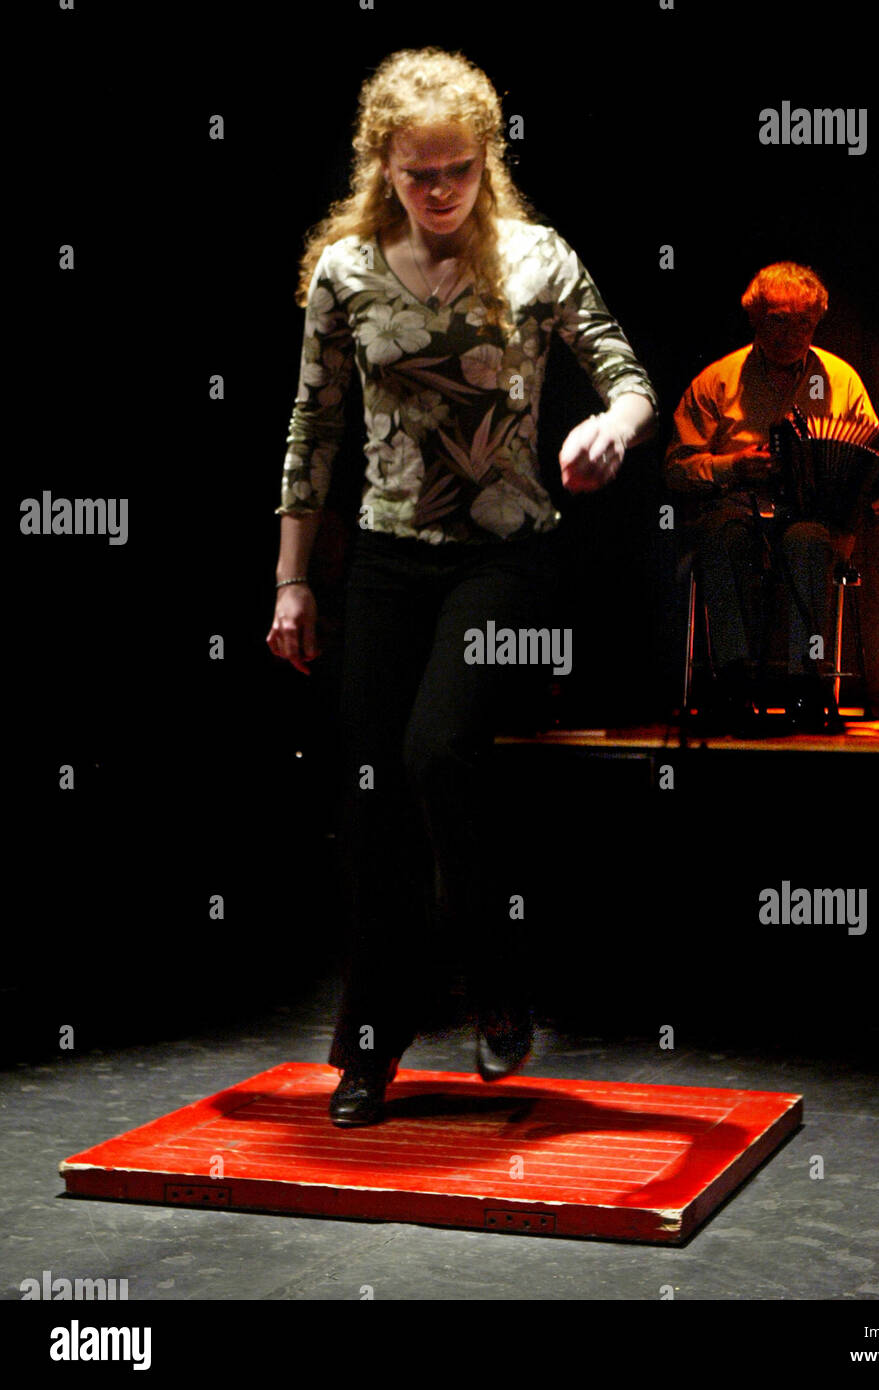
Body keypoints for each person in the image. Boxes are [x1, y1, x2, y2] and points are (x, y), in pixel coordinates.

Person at [265, 48, 657, 1126]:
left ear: (489, 161)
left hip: (506, 553)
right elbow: (315, 430)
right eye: (416, 174)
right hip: (390, 557)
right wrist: (293, 582)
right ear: (380, 168)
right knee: (369, 796)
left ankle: (492, 975)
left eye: (458, 171)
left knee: (437, 748)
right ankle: (373, 1042)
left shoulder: (535, 259)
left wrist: (612, 428)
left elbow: (626, 375)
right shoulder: (345, 275)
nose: (439, 193)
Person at [663, 262, 879, 732]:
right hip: (737, 511)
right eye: (779, 319)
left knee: (809, 542)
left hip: (813, 517)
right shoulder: (717, 381)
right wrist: (733, 466)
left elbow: (877, 455)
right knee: (720, 536)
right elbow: (676, 468)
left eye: (804, 321)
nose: (792, 333)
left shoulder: (840, 380)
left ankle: (807, 686)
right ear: (755, 318)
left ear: (817, 322)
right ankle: (734, 683)